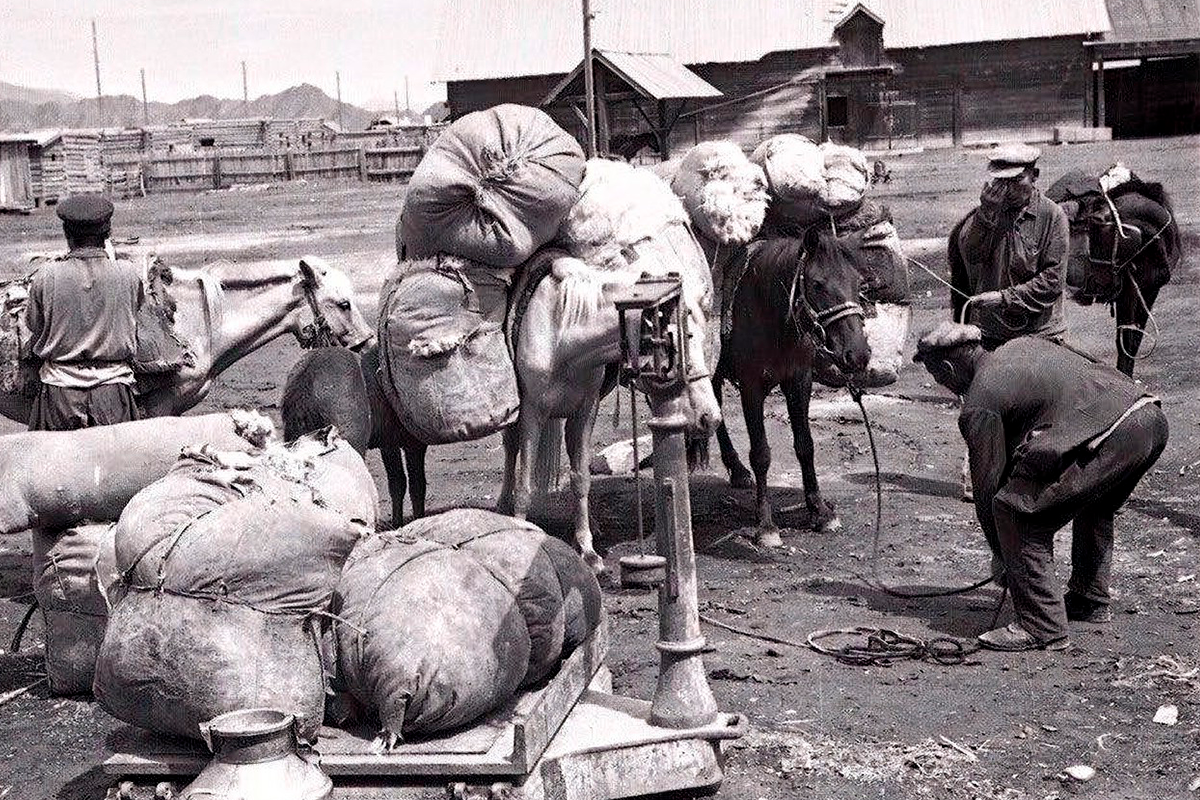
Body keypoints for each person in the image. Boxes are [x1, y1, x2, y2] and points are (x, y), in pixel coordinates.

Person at [914, 322, 1168, 652]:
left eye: (939, 378)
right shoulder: (1021, 344)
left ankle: (1041, 625)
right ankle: (1088, 598)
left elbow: (988, 490)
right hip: (1149, 417)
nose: (944, 385)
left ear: (947, 367)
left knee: (1015, 511)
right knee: (1095, 502)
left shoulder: (980, 400)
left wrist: (1003, 553)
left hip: (1114, 436)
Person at [25, 194, 144, 431]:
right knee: (117, 465)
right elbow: (135, 315)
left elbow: (33, 325)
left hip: (60, 394)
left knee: (58, 464)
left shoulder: (46, 276)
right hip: (113, 392)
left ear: (67, 234)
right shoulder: (128, 274)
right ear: (108, 233)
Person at [948, 143, 1070, 349]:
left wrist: (1003, 298)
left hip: (1041, 334)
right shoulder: (984, 213)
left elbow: (1053, 280)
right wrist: (986, 215)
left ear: (1034, 176)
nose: (1009, 189)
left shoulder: (1053, 216)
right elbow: (970, 255)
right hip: (990, 332)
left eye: (1016, 180)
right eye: (1002, 181)